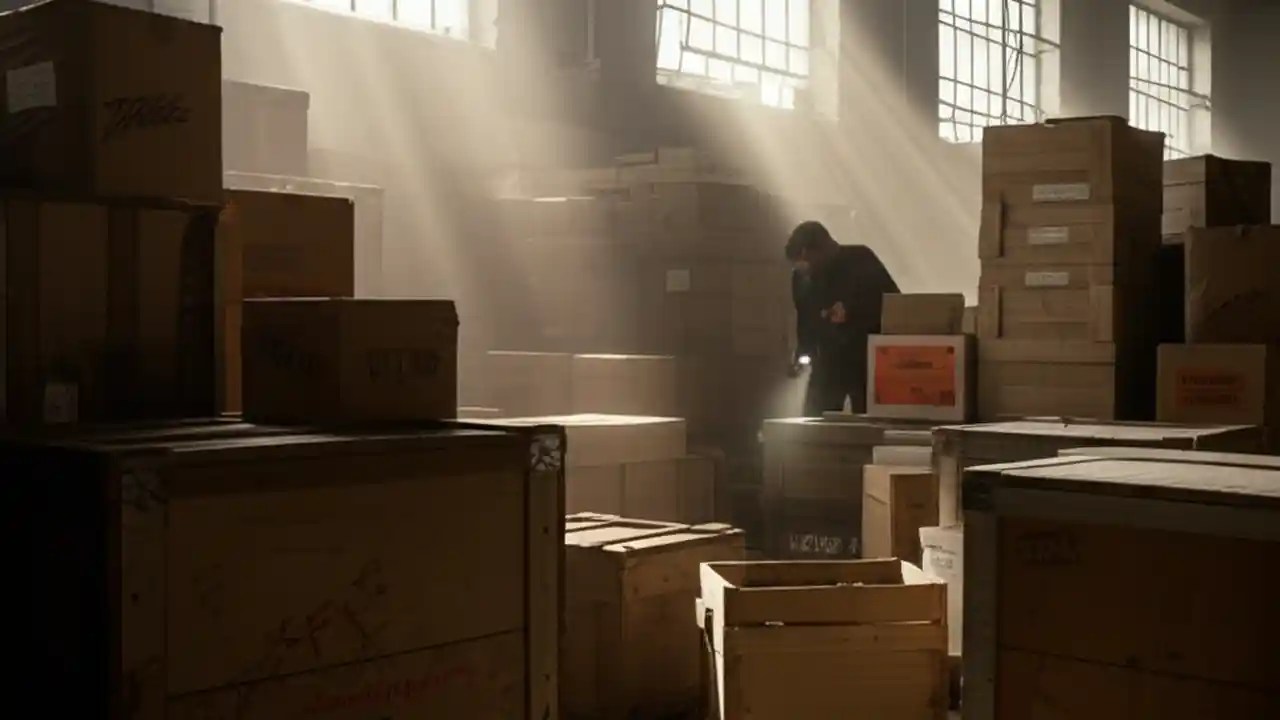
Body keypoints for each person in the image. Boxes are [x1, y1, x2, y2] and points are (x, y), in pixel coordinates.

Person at [786, 221, 899, 416]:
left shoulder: (861, 260)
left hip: (865, 358)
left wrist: (852, 311)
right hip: (828, 359)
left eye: (807, 260)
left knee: (868, 420)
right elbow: (805, 318)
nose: (804, 269)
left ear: (823, 249)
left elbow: (894, 304)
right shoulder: (800, 278)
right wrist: (802, 352)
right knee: (814, 418)